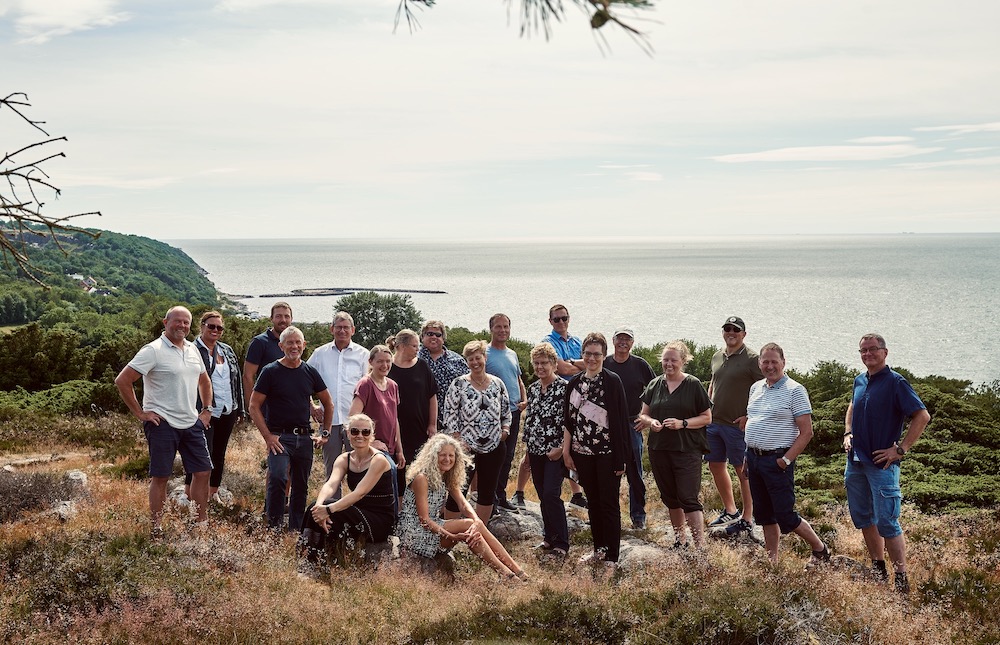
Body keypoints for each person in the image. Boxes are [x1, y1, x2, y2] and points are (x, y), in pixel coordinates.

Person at [114, 306, 214, 534]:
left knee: (203, 471)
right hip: (162, 423)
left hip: (191, 422)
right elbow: (123, 380)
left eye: (186, 322)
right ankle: (156, 527)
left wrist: (206, 410)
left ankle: (201, 524)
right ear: (165, 322)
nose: (182, 326)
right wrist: (141, 413)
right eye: (177, 321)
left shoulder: (192, 350)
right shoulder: (153, 350)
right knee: (161, 476)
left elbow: (204, 381)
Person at [844, 333, 930, 593]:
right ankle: (878, 568)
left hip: (882, 465)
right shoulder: (860, 380)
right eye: (863, 351)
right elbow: (852, 405)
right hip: (855, 462)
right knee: (864, 518)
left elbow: (922, 416)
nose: (867, 354)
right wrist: (848, 432)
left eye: (872, 350)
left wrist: (900, 449)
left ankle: (902, 578)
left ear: (885, 352)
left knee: (887, 522)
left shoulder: (896, 382)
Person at [397, 433, 528, 581]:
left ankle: (515, 571)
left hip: (433, 530)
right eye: (442, 455)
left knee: (474, 526)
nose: (447, 459)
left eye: (451, 455)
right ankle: (507, 574)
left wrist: (476, 521)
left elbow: (463, 504)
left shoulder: (446, 475)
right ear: (433, 456)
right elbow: (424, 520)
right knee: (468, 526)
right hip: (415, 535)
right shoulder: (422, 478)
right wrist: (453, 536)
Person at [744, 343, 830, 565]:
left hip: (777, 460)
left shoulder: (795, 390)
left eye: (774, 361)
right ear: (759, 363)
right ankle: (772, 561)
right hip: (753, 459)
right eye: (766, 361)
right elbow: (753, 422)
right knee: (764, 515)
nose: (770, 366)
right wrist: (747, 457)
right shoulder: (755, 388)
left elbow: (807, 432)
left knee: (785, 516)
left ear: (784, 362)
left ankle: (820, 549)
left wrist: (785, 460)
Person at [249, 325, 334, 531]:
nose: (294, 346)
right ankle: (274, 526)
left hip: (304, 438)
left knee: (301, 486)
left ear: (304, 345)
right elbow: (254, 405)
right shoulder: (270, 372)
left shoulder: (310, 372)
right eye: (289, 343)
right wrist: (268, 436)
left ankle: (296, 529)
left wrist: (325, 433)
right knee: (277, 477)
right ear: (281, 346)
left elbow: (328, 403)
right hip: (279, 437)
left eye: (298, 342)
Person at [637, 341, 713, 548]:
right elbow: (643, 414)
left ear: (683, 361)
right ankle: (680, 541)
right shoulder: (654, 384)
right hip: (659, 449)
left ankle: (699, 547)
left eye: (674, 360)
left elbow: (707, 418)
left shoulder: (693, 384)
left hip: (687, 449)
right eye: (665, 360)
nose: (669, 364)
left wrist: (683, 423)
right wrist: (651, 422)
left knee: (688, 498)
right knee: (670, 498)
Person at [512, 304, 588, 511]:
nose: (561, 322)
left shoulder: (577, 341)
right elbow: (564, 368)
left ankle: (577, 494)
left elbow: (587, 365)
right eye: (557, 319)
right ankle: (518, 492)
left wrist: (576, 365)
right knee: (532, 454)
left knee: (569, 450)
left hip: (577, 396)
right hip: (550, 394)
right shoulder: (548, 343)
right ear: (550, 321)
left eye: (564, 318)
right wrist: (576, 365)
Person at [563, 332, 629, 565]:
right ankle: (599, 550)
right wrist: (566, 451)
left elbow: (620, 421)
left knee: (608, 504)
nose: (592, 358)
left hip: (607, 454)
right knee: (593, 503)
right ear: (582, 354)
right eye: (588, 354)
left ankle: (612, 556)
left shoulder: (612, 381)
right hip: (582, 454)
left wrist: (621, 459)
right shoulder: (574, 383)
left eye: (596, 354)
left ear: (604, 355)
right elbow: (568, 420)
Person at [299, 414, 396, 569]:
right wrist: (319, 507)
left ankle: (314, 561)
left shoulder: (379, 460)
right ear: (348, 433)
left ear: (372, 435)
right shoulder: (344, 458)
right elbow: (331, 484)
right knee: (312, 507)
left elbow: (360, 493)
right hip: (356, 511)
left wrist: (328, 509)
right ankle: (312, 560)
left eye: (365, 432)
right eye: (355, 431)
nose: (360, 436)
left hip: (379, 519)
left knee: (332, 509)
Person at [705, 316, 764, 538]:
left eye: (735, 330)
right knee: (715, 465)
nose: (731, 333)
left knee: (743, 471)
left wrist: (750, 416)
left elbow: (763, 387)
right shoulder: (717, 356)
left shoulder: (752, 358)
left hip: (738, 426)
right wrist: (707, 409)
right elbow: (714, 382)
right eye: (727, 329)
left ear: (743, 334)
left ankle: (748, 518)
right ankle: (730, 510)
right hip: (715, 422)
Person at [443, 340, 512, 523]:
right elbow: (449, 414)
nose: (475, 362)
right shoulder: (458, 384)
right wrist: (457, 440)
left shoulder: (497, 384)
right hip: (465, 449)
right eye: (470, 359)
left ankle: (480, 533)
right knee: (457, 490)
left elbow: (506, 412)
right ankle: (450, 535)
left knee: (487, 492)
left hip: (494, 446)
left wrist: (505, 430)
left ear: (485, 358)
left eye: (478, 358)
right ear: (466, 361)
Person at [183, 311, 245, 502]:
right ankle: (189, 493)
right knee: (201, 453)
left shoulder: (227, 350)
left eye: (219, 327)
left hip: (228, 410)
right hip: (203, 412)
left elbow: (236, 380)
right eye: (211, 326)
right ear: (201, 326)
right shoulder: (191, 350)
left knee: (219, 453)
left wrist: (240, 408)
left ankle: (213, 492)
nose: (215, 330)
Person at [602, 326, 656, 530]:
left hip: (632, 424)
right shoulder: (605, 363)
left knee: (635, 473)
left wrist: (647, 417)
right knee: (607, 472)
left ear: (632, 343)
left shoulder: (640, 365)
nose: (623, 342)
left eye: (627, 339)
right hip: (607, 425)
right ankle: (607, 514)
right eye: (620, 338)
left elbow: (657, 390)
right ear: (613, 341)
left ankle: (638, 516)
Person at [308, 311, 370, 480]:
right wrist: (312, 406)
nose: (342, 331)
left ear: (353, 330)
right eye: (338, 327)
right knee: (332, 471)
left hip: (356, 424)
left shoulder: (363, 355)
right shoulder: (320, 354)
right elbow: (302, 381)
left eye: (346, 328)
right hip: (330, 422)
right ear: (331, 329)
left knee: (360, 470)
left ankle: (358, 506)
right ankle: (332, 505)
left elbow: (370, 388)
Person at [522, 343, 570, 559]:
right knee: (543, 495)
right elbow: (531, 419)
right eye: (537, 363)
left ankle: (562, 542)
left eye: (545, 363)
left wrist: (561, 448)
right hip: (535, 450)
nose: (540, 367)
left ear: (554, 364)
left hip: (555, 451)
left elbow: (572, 422)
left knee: (552, 494)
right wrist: (527, 449)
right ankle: (549, 537)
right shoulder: (533, 389)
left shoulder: (565, 389)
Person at [388, 329, 438, 498]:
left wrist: (432, 424)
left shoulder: (422, 366)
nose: (418, 349)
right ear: (401, 346)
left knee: (421, 469)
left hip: (420, 427)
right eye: (414, 345)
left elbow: (432, 396)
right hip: (396, 429)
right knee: (398, 469)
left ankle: (421, 506)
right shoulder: (388, 367)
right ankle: (399, 508)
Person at [485, 313, 527, 514]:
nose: (502, 330)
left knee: (508, 455)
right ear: (491, 329)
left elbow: (518, 380)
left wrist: (524, 399)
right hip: (493, 415)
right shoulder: (485, 353)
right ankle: (489, 499)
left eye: (506, 327)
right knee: (494, 456)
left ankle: (501, 496)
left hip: (514, 412)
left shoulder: (512, 354)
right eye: (498, 327)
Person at [349, 345, 404, 470]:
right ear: (371, 362)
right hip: (373, 450)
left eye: (388, 361)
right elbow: (353, 418)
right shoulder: (365, 384)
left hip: (390, 448)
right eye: (380, 361)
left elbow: (394, 419)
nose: (384, 365)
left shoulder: (393, 385)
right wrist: (370, 442)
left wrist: (399, 450)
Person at [417, 320, 469, 432]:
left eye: (438, 335)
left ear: (443, 338)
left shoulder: (457, 360)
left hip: (453, 421)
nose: (433, 337)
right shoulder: (413, 359)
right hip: (420, 421)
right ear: (422, 337)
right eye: (429, 334)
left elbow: (468, 387)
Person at [242, 301, 293, 412]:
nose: (283, 320)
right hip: (268, 408)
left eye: (286, 316)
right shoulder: (260, 342)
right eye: (278, 316)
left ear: (291, 319)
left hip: (290, 406)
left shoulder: (294, 343)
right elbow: (248, 376)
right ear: (271, 318)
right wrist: (252, 407)